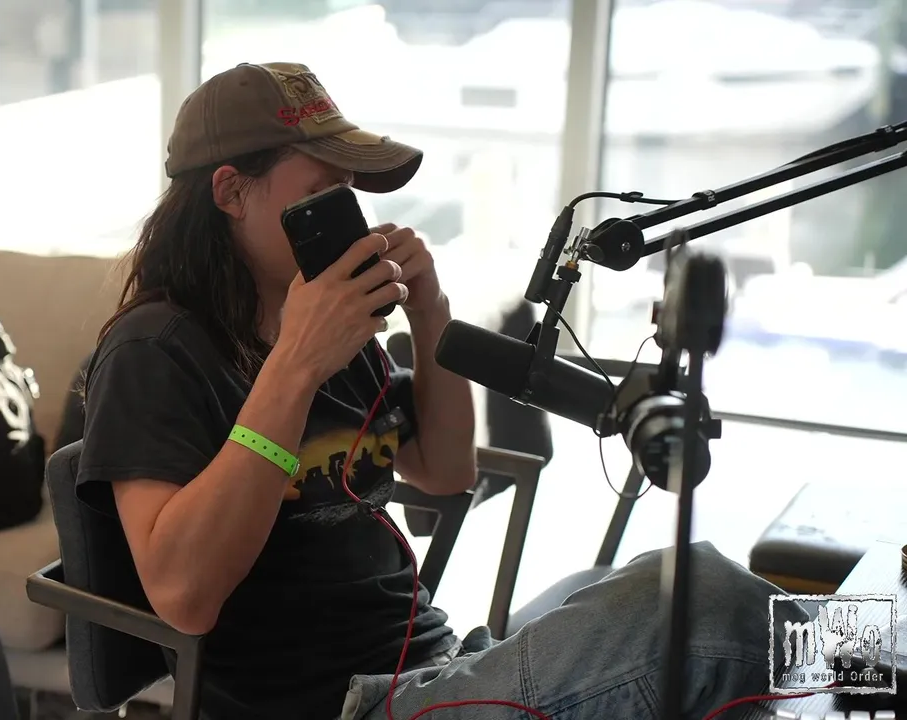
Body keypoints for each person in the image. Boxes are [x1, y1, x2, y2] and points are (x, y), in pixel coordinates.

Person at [77, 61, 807, 720]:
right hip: (337, 703)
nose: (349, 218)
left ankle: (854, 673)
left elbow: (447, 471)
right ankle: (863, 665)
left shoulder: (333, 329)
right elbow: (183, 597)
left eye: (347, 194)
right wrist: (295, 366)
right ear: (231, 192)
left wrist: (430, 314)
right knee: (706, 605)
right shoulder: (154, 352)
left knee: (710, 650)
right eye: (319, 195)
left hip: (434, 665)